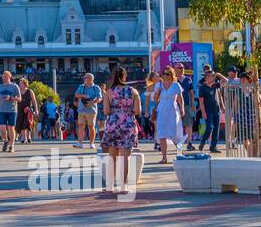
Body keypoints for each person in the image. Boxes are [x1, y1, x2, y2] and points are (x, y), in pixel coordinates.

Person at [101, 66, 142, 195]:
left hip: (113, 124)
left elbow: (106, 111)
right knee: (126, 157)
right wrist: (127, 110)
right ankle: (123, 186)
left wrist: (116, 111)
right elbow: (137, 111)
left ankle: (110, 186)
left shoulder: (110, 92)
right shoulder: (133, 91)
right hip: (128, 124)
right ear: (125, 76)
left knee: (112, 156)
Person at [152, 65, 186, 164]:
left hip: (173, 109)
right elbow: (155, 99)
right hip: (161, 108)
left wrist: (182, 108)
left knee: (175, 133)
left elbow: (180, 98)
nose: (165, 76)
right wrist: (158, 92)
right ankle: (164, 157)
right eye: (164, 74)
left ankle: (180, 153)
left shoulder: (176, 85)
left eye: (168, 74)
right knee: (162, 134)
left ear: (171, 75)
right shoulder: (159, 85)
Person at [74, 73, 101, 149]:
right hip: (81, 110)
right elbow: (76, 94)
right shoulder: (81, 86)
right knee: (81, 125)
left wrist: (91, 102)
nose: (84, 79)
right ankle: (80, 143)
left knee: (91, 126)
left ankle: (92, 143)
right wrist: (83, 96)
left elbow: (99, 98)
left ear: (90, 79)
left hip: (91, 110)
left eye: (85, 77)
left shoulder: (96, 87)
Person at [0, 71, 20, 153]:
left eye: (5, 76)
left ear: (9, 77)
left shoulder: (14, 87)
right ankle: (6, 140)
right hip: (2, 110)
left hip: (12, 110)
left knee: (11, 128)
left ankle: (12, 146)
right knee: (2, 127)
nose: (4, 78)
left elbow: (19, 99)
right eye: (3, 76)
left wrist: (11, 98)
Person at [17, 78, 38, 145]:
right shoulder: (18, 91)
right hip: (20, 109)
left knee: (27, 123)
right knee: (21, 123)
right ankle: (24, 137)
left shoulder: (30, 91)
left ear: (25, 84)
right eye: (19, 83)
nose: (19, 84)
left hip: (28, 109)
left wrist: (36, 109)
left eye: (21, 83)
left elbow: (34, 101)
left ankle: (28, 136)